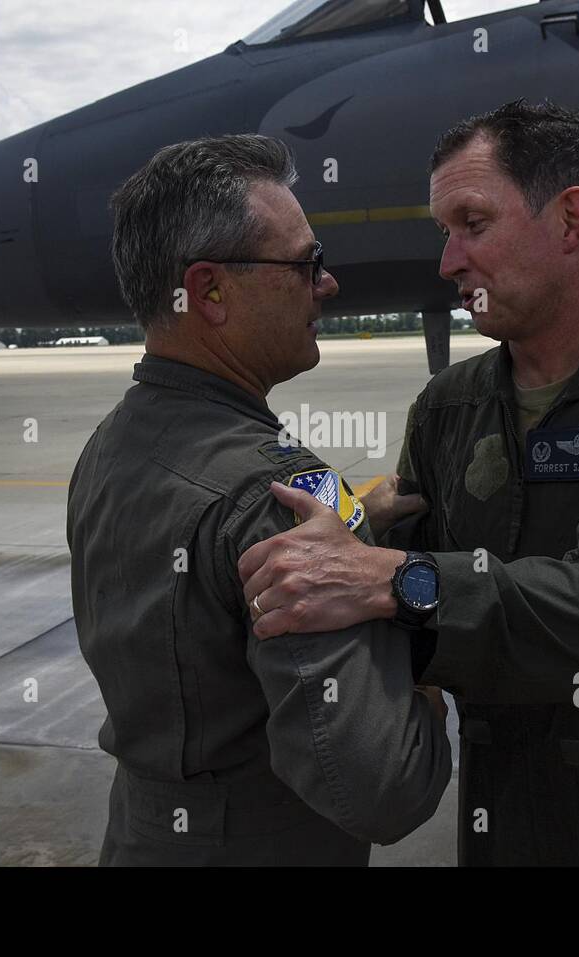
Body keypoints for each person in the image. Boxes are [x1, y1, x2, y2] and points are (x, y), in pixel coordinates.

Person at [238, 100, 579, 866]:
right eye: (444, 232)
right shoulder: (449, 405)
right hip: (504, 824)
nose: (448, 261)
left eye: (472, 223)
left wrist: (402, 580)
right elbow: (393, 568)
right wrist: (347, 513)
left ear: (570, 222)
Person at [66, 134, 450, 866]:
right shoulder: (284, 496)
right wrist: (428, 656)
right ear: (209, 291)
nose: (327, 286)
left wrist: (358, 514)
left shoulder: (111, 443)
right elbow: (385, 790)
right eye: (307, 264)